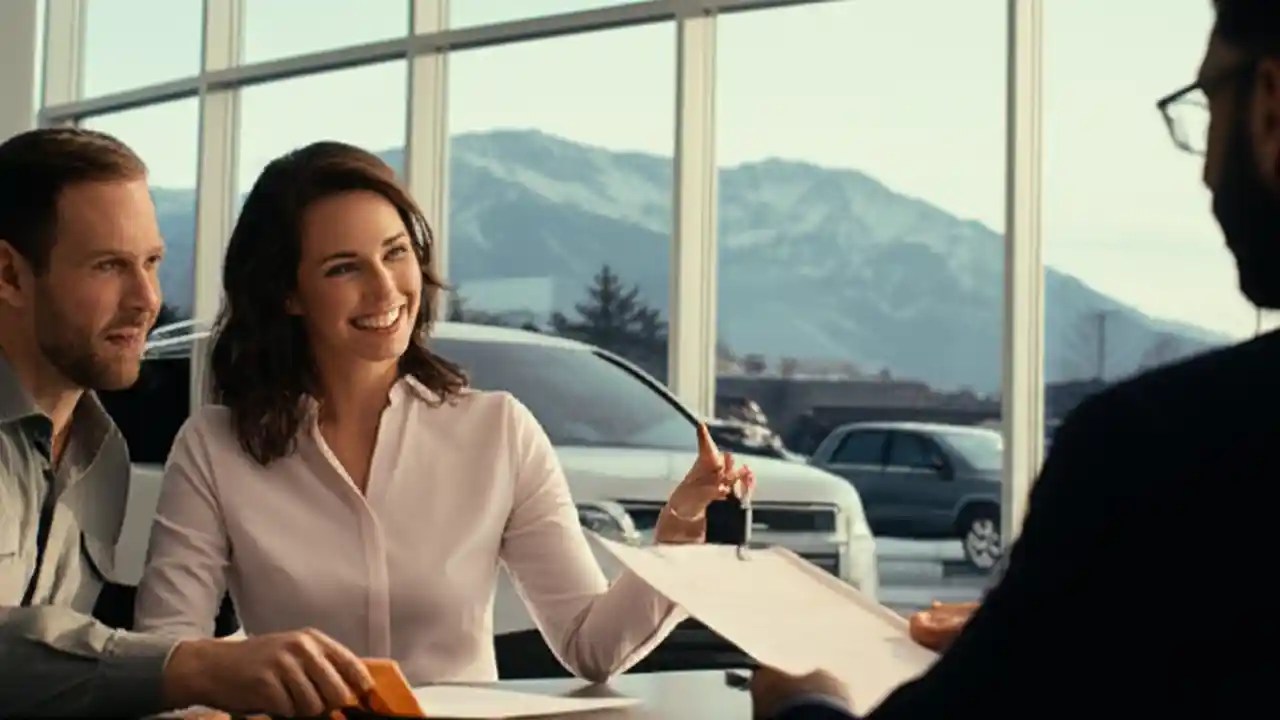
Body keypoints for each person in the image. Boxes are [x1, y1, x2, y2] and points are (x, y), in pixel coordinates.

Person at [751, 0, 1271, 716]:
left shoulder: (1156, 451)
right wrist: (1048, 631)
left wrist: (803, 705)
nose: (1208, 172)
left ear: (1271, 106)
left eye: (1210, 107)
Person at [133, 141, 755, 689]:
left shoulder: (499, 432)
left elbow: (591, 647)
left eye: (395, 253)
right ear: (288, 293)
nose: (386, 290)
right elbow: (167, 654)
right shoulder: (214, 447)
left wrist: (681, 529)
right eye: (344, 267)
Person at [0, 127, 380, 717]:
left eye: (151, 262)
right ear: (9, 275)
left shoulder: (103, 455)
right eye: (108, 266)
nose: (147, 299)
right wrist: (194, 666)